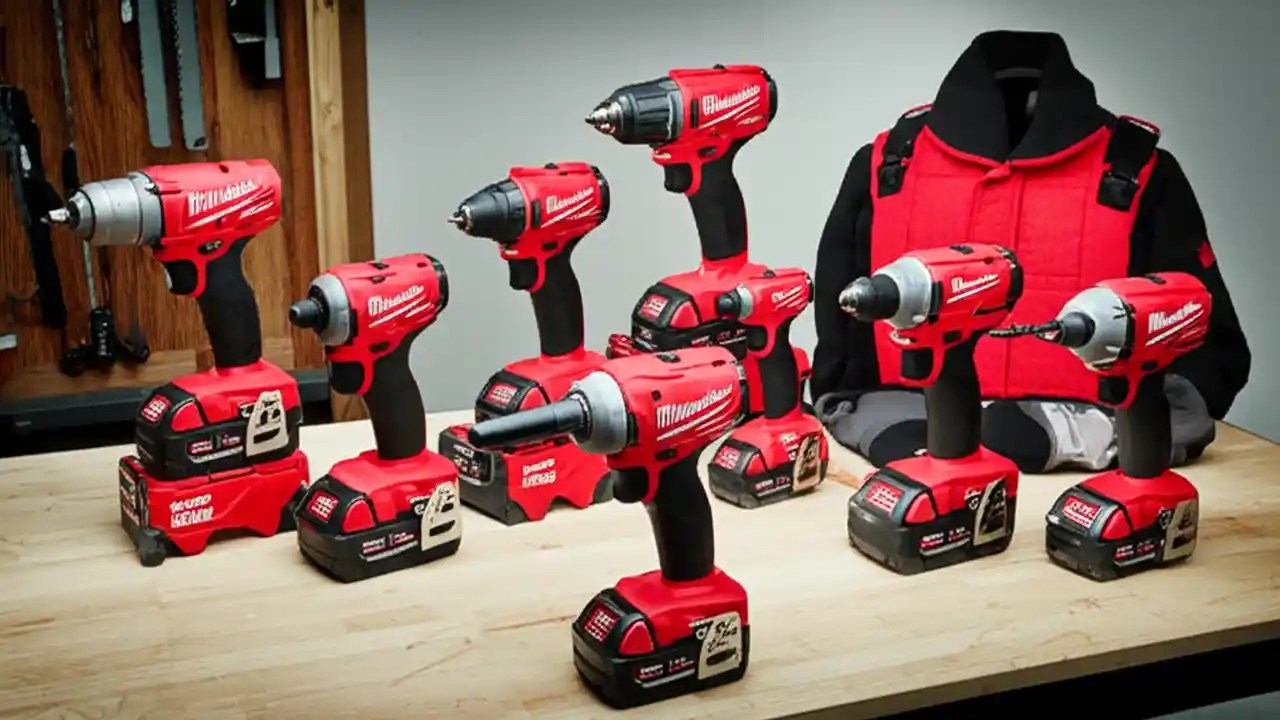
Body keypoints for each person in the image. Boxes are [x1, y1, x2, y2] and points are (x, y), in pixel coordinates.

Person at [811, 30, 1250, 473]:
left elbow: (1207, 350)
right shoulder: (887, 165)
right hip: (905, 434)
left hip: (1093, 449)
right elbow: (839, 349)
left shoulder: (1138, 171)